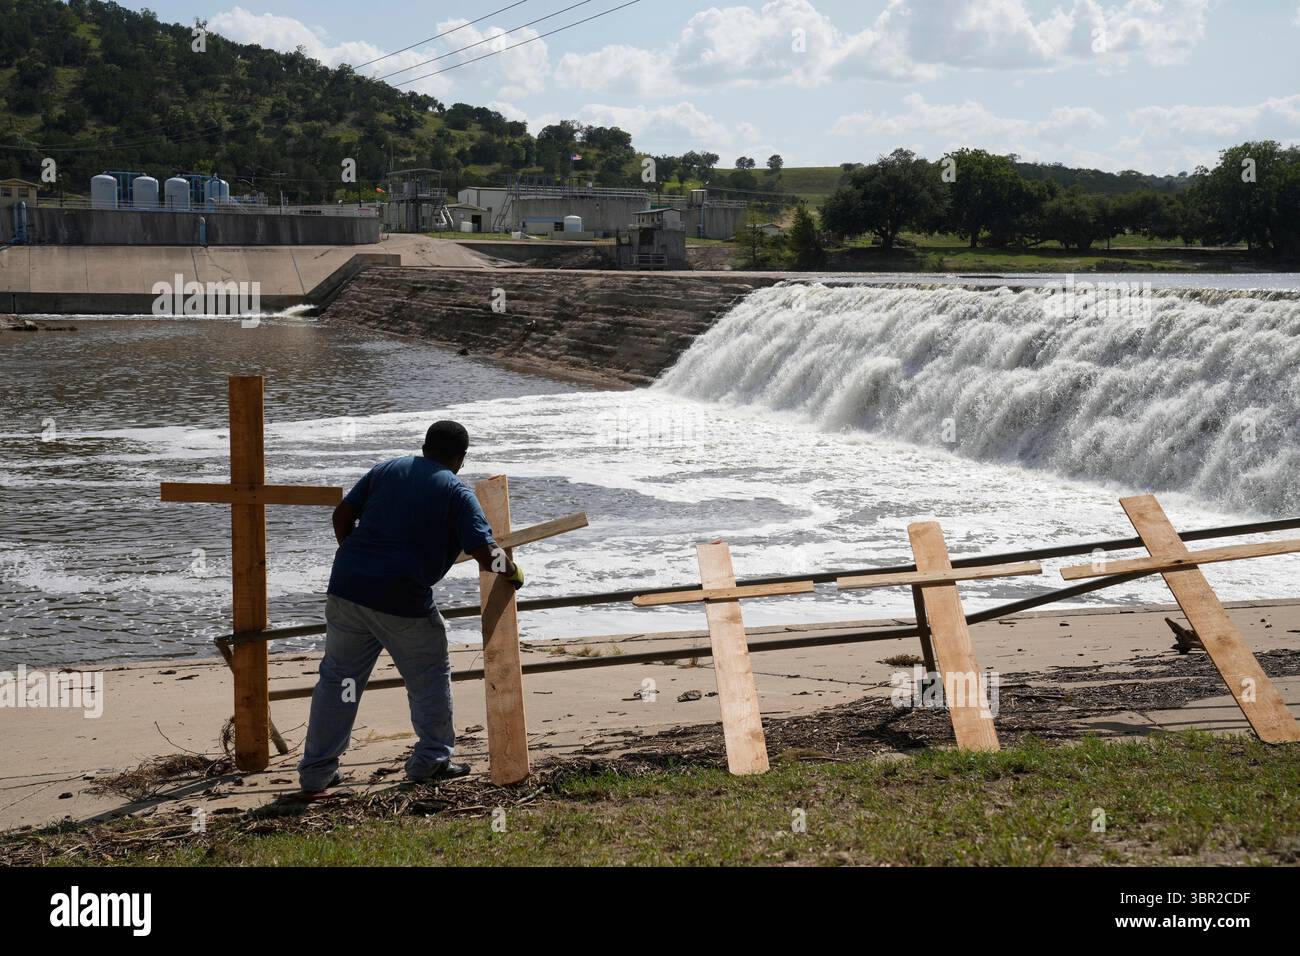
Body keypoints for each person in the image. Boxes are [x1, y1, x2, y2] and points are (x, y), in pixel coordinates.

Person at [298, 420, 523, 793]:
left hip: (347, 590)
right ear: (461, 458)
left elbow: (341, 516)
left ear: (424, 446)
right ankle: (431, 761)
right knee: (428, 677)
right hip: (401, 600)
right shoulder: (456, 492)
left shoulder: (387, 469)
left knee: (340, 682)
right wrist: (511, 570)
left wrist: (358, 557)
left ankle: (317, 772)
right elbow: (485, 553)